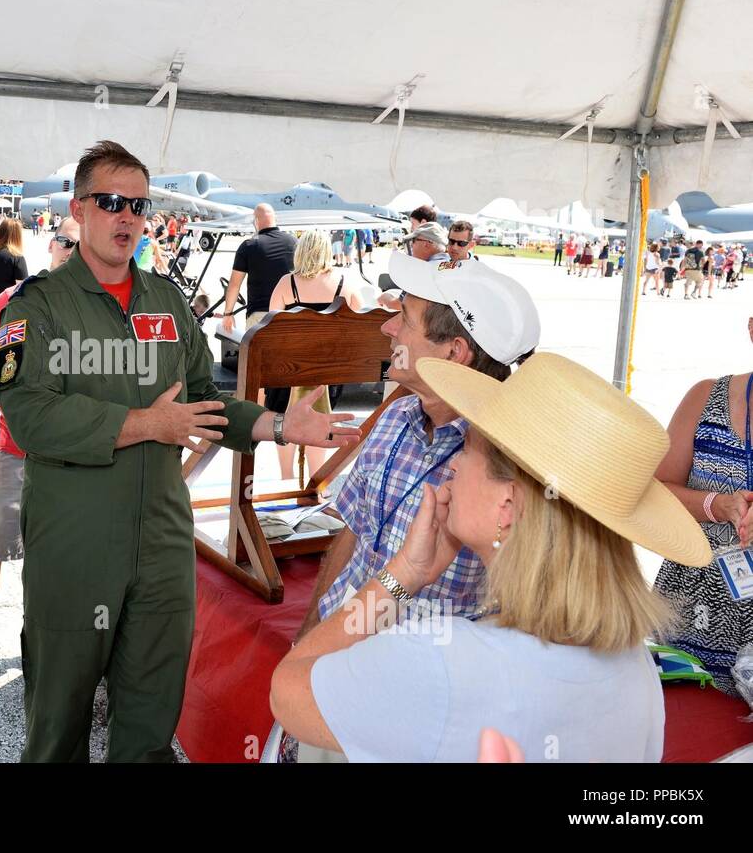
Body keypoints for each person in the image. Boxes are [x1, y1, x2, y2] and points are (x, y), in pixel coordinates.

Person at [0, 140, 361, 762]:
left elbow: (202, 402)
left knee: (149, 719)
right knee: (58, 724)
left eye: (138, 205)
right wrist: (146, 422)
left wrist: (279, 426)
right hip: (74, 544)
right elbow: (30, 416)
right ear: (78, 210)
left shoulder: (166, 301)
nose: (127, 217)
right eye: (110, 202)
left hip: (163, 542)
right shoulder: (38, 306)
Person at [271, 352, 710, 762]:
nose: (455, 466)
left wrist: (403, 574)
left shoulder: (445, 662)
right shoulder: (635, 667)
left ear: (507, 506)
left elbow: (287, 690)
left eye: (468, 450)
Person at [297, 251, 542, 640]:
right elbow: (354, 533)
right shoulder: (396, 416)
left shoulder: (507, 461)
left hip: (424, 675)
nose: (388, 328)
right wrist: (311, 632)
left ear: (454, 352)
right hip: (342, 642)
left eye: (405, 318)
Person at [0, 218, 80, 673]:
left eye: (81, 244)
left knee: (64, 561)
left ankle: (52, 647)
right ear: (50, 244)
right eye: (66, 240)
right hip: (17, 452)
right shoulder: (12, 302)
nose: (72, 250)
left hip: (80, 460)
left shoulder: (103, 308)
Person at [653, 326, 753, 696]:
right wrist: (717, 504)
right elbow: (657, 489)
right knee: (685, 727)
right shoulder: (705, 397)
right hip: (687, 610)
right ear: (751, 328)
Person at [267, 230, 363, 479]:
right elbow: (358, 325)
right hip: (327, 369)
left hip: (288, 368)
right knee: (322, 426)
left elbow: (272, 329)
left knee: (283, 425)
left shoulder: (286, 283)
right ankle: (315, 486)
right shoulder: (345, 282)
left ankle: (286, 480)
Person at [220, 204, 296, 334]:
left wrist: (228, 313)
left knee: (256, 354)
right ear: (275, 219)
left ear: (256, 221)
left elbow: (234, 285)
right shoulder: (294, 242)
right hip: (288, 314)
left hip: (260, 316)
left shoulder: (249, 245)